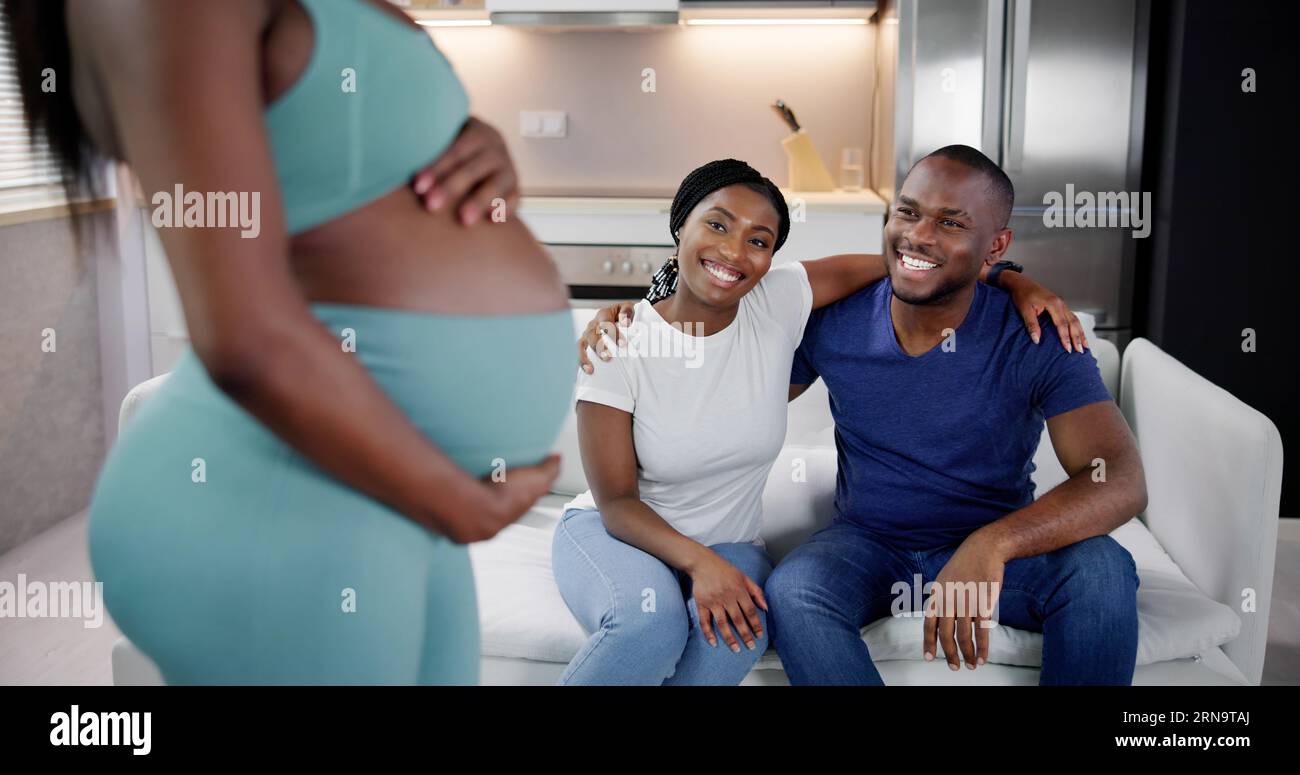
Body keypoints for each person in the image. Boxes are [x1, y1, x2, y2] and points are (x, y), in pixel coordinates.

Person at [3, 0, 573, 684]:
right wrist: (457, 502)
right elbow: (243, 336)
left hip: (399, 499)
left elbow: (326, 140)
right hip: (283, 495)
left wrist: (465, 140)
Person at [561, 158, 1084, 684]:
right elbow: (618, 503)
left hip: (732, 544)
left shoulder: (778, 303)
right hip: (623, 533)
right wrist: (699, 564)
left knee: (735, 636)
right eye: (717, 224)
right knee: (648, 625)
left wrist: (1014, 280)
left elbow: (909, 259)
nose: (732, 251)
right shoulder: (616, 343)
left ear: (770, 259)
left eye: (758, 241)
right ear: (680, 225)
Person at [764, 145, 1148, 685]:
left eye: (950, 222)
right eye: (908, 211)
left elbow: (1121, 479)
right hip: (869, 543)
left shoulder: (1037, 335)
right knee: (793, 592)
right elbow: (734, 388)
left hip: (994, 543)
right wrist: (644, 323)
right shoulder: (834, 319)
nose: (919, 234)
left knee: (1104, 570)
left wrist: (993, 544)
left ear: (995, 245)